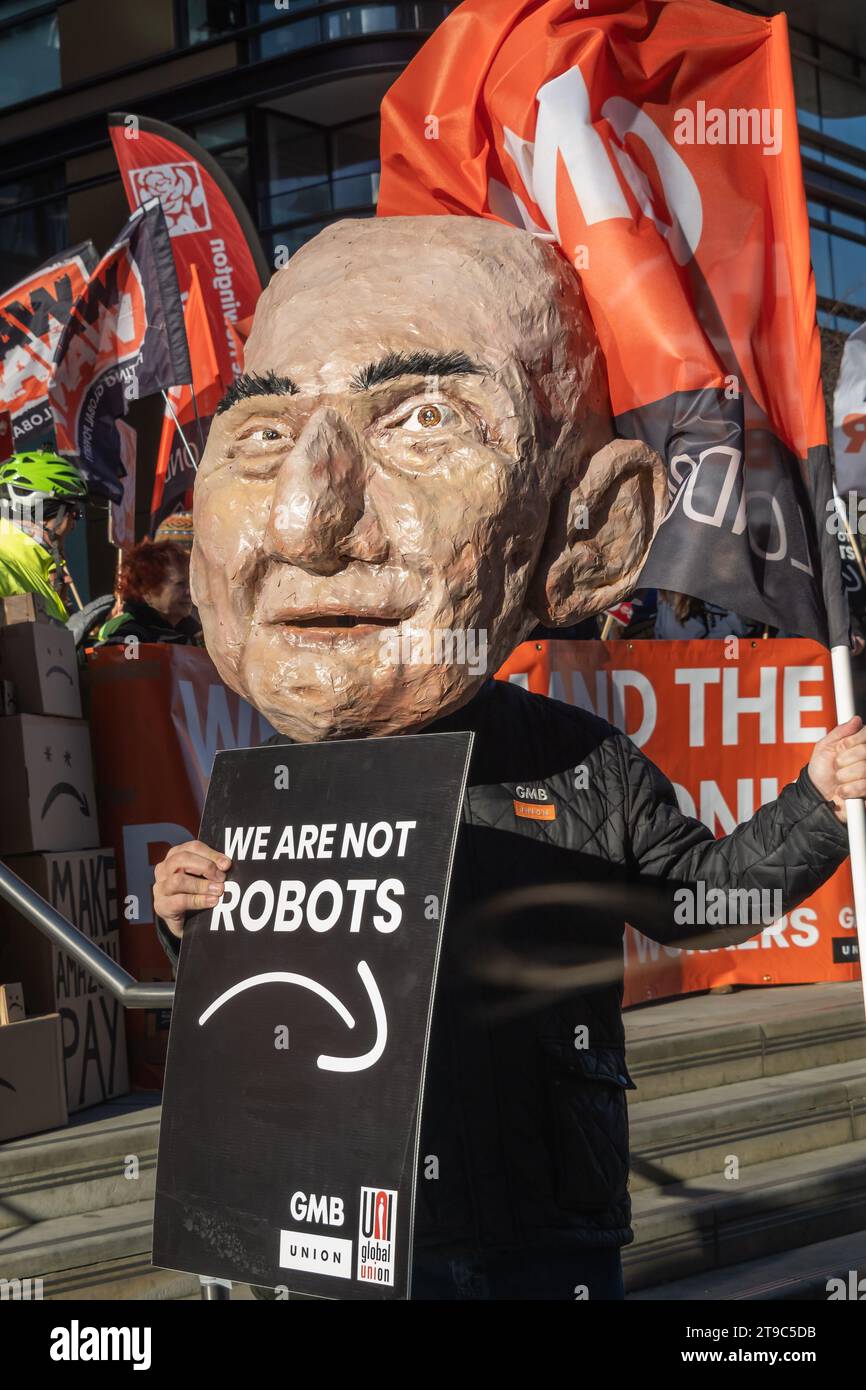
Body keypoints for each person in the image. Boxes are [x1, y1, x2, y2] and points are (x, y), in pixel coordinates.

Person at [151, 216, 866, 1300]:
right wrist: (192, 912)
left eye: (426, 419)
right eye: (262, 435)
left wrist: (815, 797)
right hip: (346, 1237)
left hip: (539, 1221)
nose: (307, 517)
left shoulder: (574, 760)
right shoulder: (276, 792)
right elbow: (256, 1006)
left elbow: (695, 902)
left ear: (587, 535)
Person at [0, 450, 87, 620]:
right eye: (74, 512)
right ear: (44, 508)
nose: (74, 524)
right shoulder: (5, 570)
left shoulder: (37, 572)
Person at [97, 539, 200, 645]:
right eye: (180, 584)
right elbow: (119, 658)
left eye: (190, 583)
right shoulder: (131, 638)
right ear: (147, 591)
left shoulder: (198, 634)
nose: (190, 592)